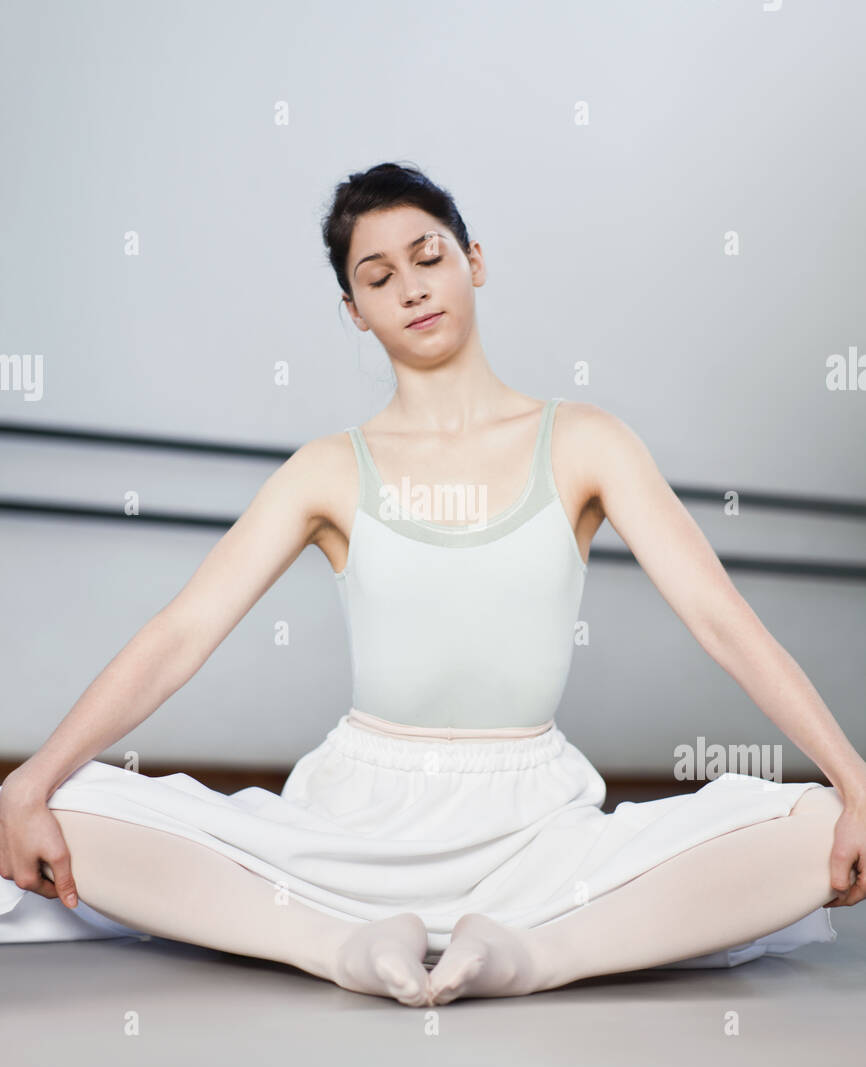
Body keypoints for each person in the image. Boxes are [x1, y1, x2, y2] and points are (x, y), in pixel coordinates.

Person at [1, 161, 864, 1010]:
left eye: (429, 256)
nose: (412, 288)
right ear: (356, 311)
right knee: (69, 807)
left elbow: (720, 619)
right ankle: (340, 942)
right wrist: (31, 781)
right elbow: (180, 634)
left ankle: (534, 952)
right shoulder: (329, 469)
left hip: (537, 831)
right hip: (350, 829)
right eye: (379, 278)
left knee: (817, 828)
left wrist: (855, 780)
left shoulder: (586, 442)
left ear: (473, 261)